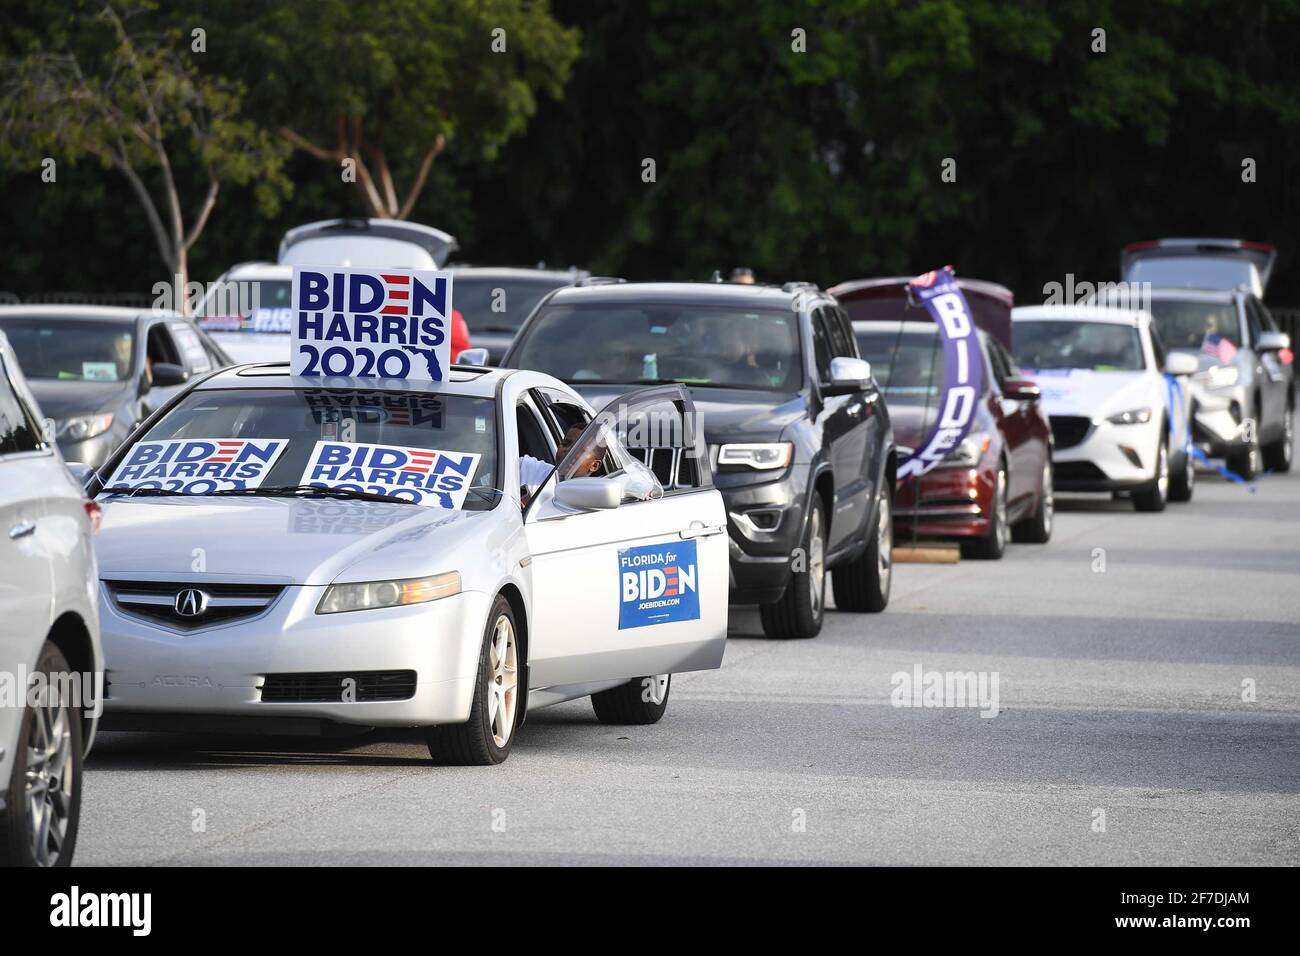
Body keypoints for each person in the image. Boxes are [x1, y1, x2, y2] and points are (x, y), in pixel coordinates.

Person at [519, 423, 604, 507]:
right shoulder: (527, 467)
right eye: (565, 443)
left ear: (594, 465)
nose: (568, 450)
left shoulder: (591, 503)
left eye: (579, 449)